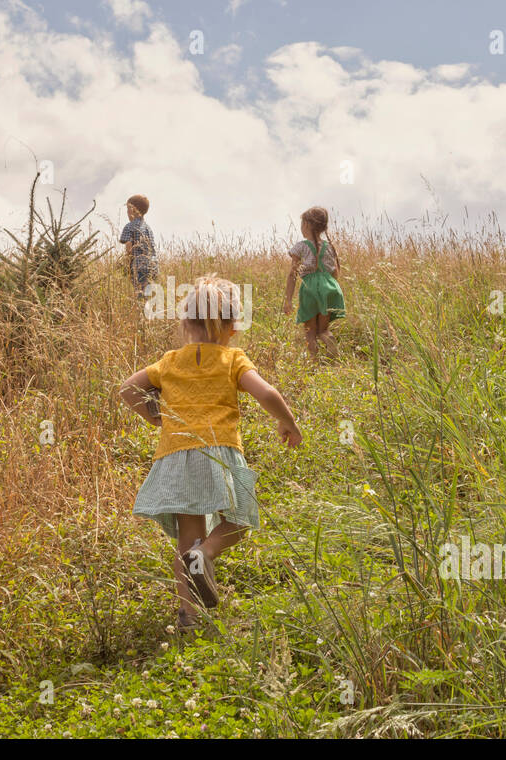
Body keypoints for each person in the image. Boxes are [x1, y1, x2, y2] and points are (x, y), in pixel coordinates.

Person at [119, 276, 302, 629]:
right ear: (232, 326)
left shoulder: (170, 361)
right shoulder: (232, 358)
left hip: (175, 453)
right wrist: (288, 423)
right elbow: (266, 393)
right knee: (241, 519)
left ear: (186, 323)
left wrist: (154, 418)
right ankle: (206, 554)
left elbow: (128, 388)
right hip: (218, 453)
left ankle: (187, 615)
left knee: (188, 535)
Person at [283, 206, 345, 358]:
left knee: (310, 331)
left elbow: (293, 274)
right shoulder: (329, 247)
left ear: (307, 225)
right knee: (323, 330)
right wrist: (327, 289)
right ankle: (331, 349)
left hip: (310, 288)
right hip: (330, 287)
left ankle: (314, 364)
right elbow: (334, 273)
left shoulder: (301, 246)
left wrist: (288, 299)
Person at [119, 194, 158, 297]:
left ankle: (141, 311)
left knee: (139, 294)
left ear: (133, 210)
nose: (127, 212)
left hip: (138, 266)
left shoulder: (129, 226)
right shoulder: (148, 228)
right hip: (153, 266)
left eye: (128, 209)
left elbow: (129, 248)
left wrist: (127, 265)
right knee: (148, 296)